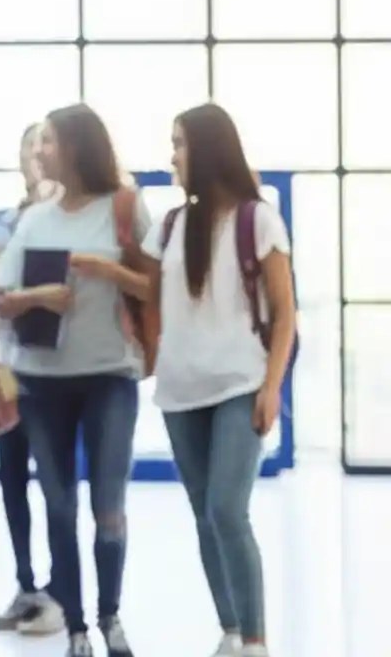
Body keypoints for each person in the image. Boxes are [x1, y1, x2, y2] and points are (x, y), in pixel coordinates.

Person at [0, 103, 151, 657]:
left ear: (78, 147)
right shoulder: (35, 219)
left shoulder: (125, 207)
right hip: (42, 381)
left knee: (108, 508)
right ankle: (77, 628)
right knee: (59, 508)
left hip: (110, 377)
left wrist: (108, 271)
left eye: (49, 141)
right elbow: (0, 299)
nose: (39, 151)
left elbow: (156, 287)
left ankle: (110, 617)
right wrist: (40, 296)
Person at [142, 103, 294, 657]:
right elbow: (150, 295)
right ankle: (229, 629)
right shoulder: (171, 226)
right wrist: (150, 353)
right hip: (180, 391)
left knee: (228, 510)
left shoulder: (259, 220)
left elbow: (285, 312)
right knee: (205, 516)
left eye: (179, 144)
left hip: (239, 384)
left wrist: (271, 387)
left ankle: (254, 640)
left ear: (207, 150)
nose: (172, 157)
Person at [0, 123, 64, 635]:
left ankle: (59, 591)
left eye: (43, 146)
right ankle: (26, 585)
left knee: (56, 483)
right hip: (12, 363)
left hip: (59, 368)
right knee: (11, 477)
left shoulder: (71, 217)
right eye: (27, 146)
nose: (34, 155)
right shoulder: (3, 221)